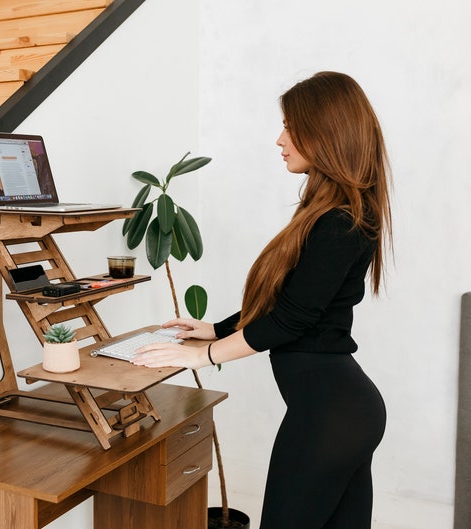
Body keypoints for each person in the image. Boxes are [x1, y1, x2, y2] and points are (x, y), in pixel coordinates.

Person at [131, 71, 391, 529]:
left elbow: (291, 319)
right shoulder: (336, 212)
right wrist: (215, 329)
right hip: (342, 412)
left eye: (291, 127)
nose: (279, 139)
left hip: (332, 416)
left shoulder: (340, 221)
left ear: (326, 132)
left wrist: (201, 355)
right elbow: (288, 301)